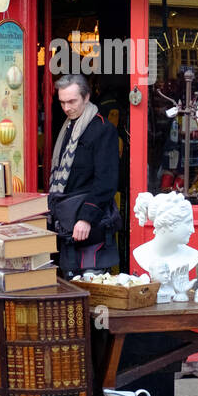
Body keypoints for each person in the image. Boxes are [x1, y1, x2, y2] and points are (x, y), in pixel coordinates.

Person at [46, 74, 120, 276]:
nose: (66, 108)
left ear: (86, 97)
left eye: (72, 101)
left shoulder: (103, 129)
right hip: (66, 221)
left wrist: (86, 219)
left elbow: (106, 181)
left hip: (90, 223)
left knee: (90, 286)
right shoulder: (67, 128)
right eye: (62, 102)